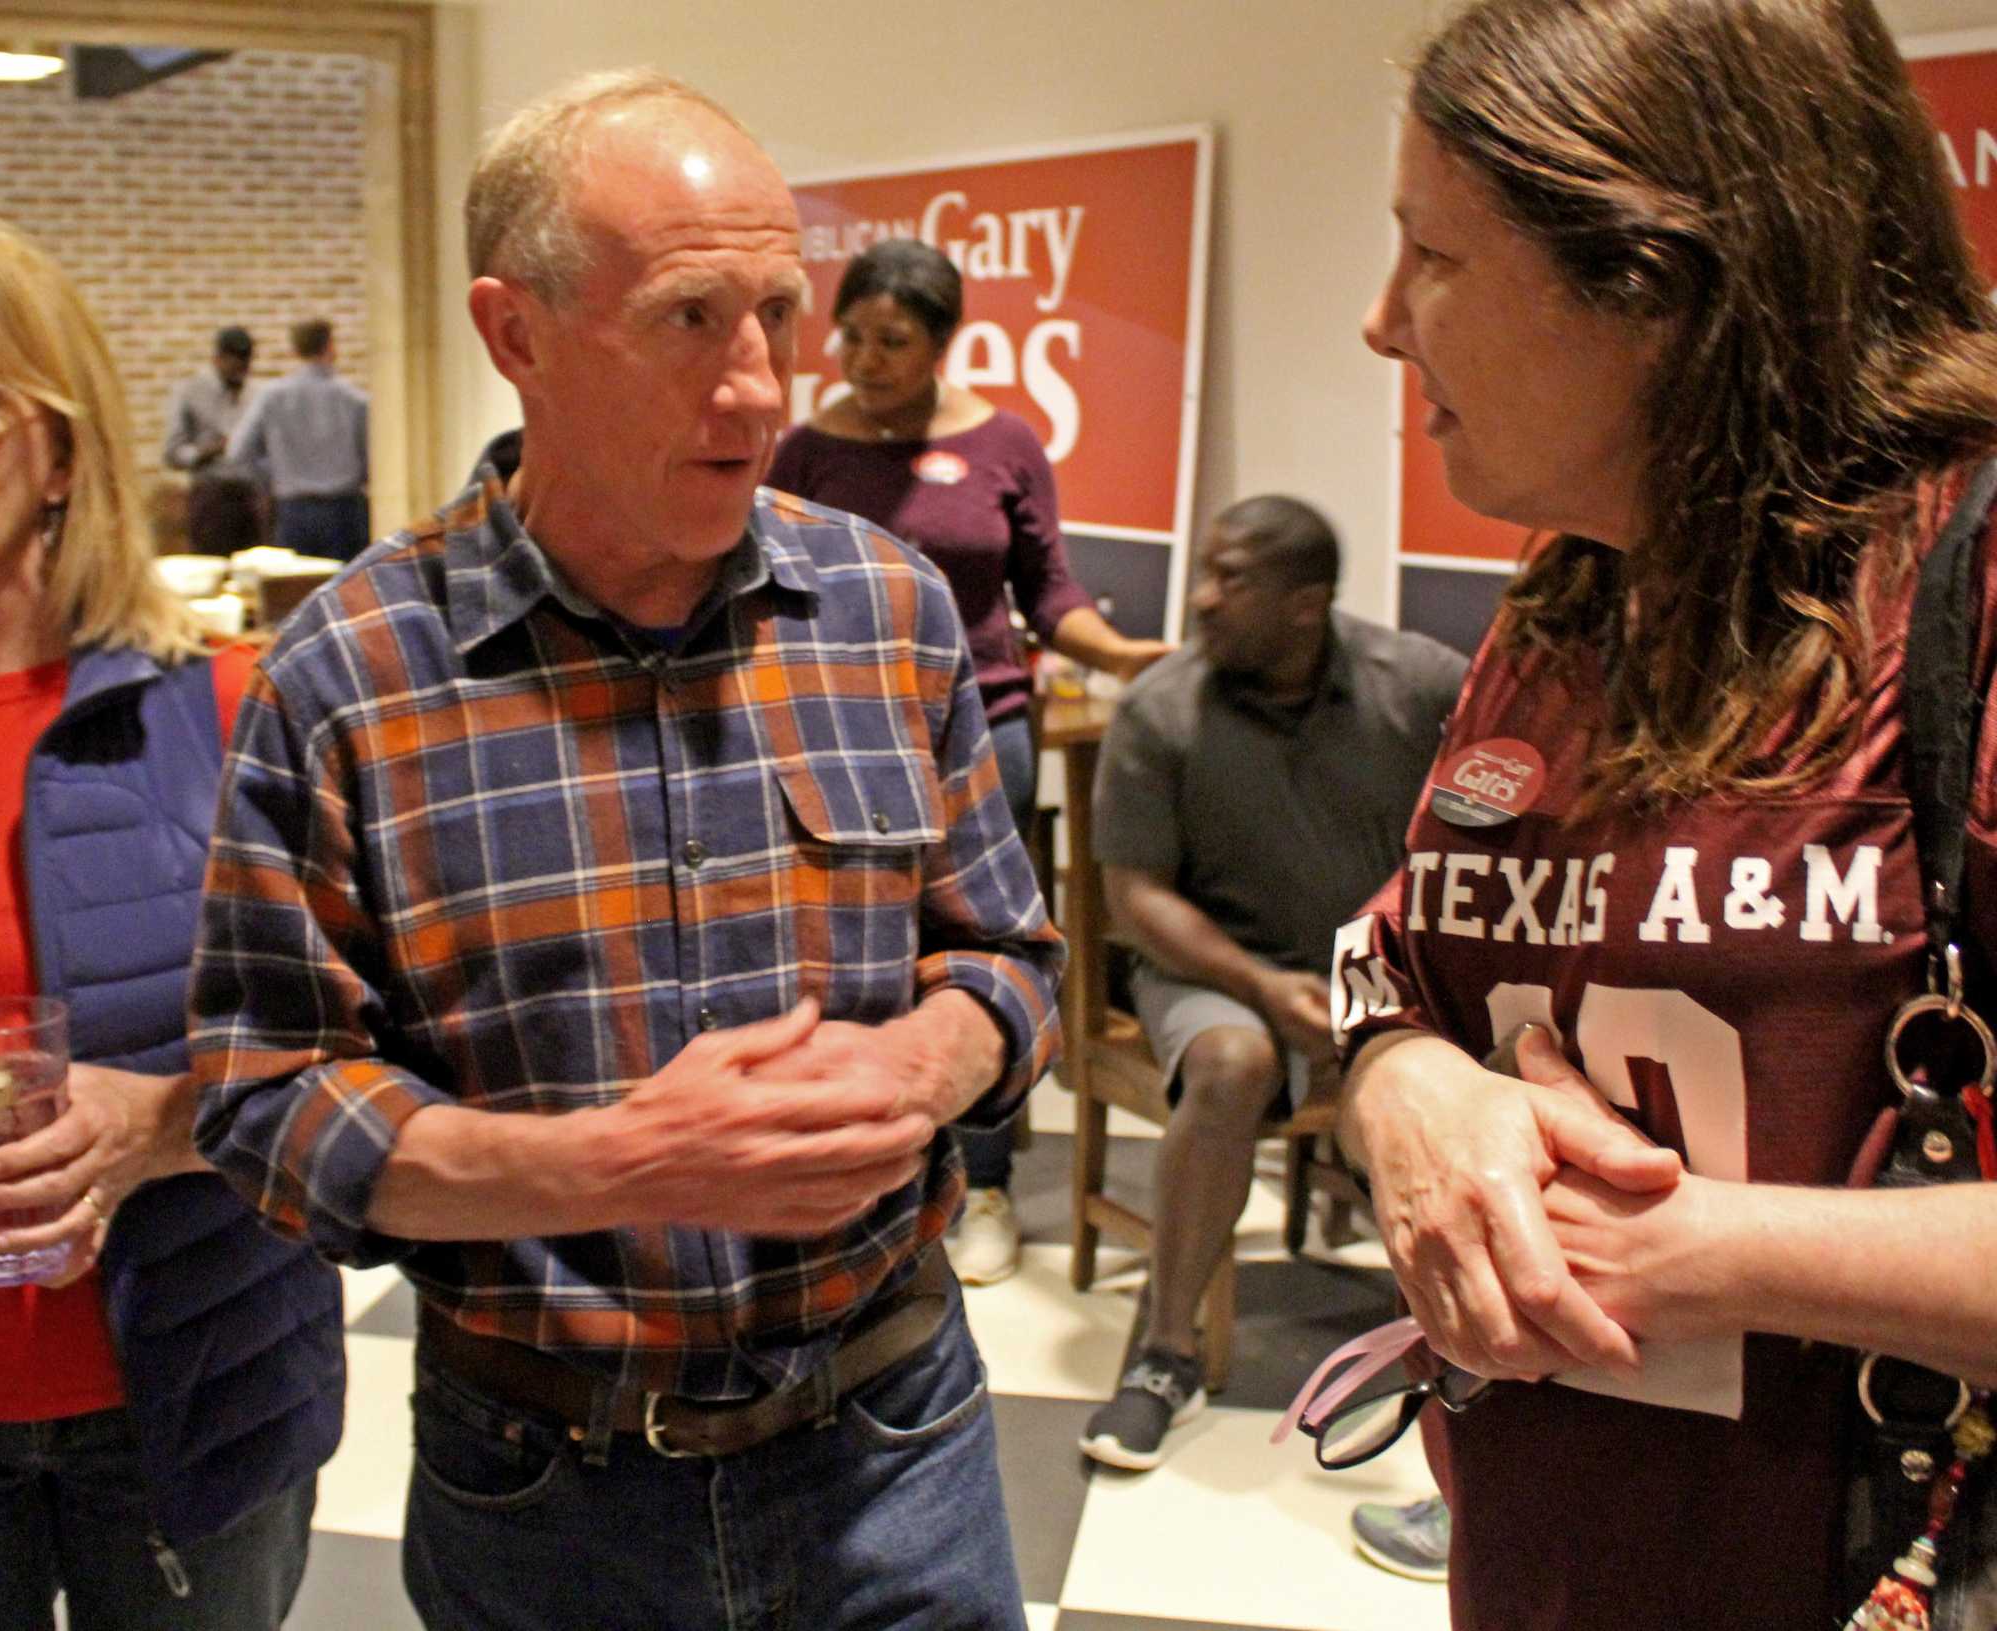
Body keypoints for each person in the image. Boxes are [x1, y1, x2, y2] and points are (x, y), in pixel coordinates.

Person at [190, 71, 1063, 1631]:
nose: (756, 390)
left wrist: (928, 1064)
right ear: (513, 331)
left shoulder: (887, 610)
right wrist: (605, 1162)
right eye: (686, 320)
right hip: (546, 1493)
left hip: (893, 1437)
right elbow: (267, 1103)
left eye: (777, 316)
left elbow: (1007, 959)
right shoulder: (353, 671)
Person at [1335, 1, 1997, 1626]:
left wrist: (1703, 1255)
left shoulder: (1960, 590)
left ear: (1653, 289)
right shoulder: (1566, 592)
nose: (1379, 323)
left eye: (1433, 256)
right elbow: (1392, 956)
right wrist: (1401, 1083)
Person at [0, 214, 343, 1628]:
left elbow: (372, 1043)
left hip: (188, 1400)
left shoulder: (229, 711)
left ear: (62, 452)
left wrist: (159, 1121)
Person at [768, 238, 1171, 1285]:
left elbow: (1049, 596)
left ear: (943, 343)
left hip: (983, 727)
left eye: (892, 340)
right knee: (847, 947)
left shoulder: (1003, 442)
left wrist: (1122, 657)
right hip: (833, 732)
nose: (864, 357)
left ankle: (983, 1182)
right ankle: (860, 1159)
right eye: (850, 335)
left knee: (984, 948)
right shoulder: (803, 451)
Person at [1075, 496, 1465, 1470]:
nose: (1200, 597)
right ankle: (1162, 1353)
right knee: (1231, 1060)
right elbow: (1134, 898)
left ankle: (1471, 1353)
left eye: (1230, 578)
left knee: (1500, 1053)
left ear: (1305, 604)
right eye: (1204, 569)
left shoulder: (1412, 684)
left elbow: (1487, 818)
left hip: (1369, 970)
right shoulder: (1159, 706)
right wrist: (1261, 981)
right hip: (1212, 969)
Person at [226, 317, 369, 562]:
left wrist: (271, 475)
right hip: (344, 510)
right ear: (331, 347)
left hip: (293, 510)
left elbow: (237, 451)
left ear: (294, 350)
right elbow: (371, 457)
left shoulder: (272, 397)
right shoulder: (354, 400)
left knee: (295, 589)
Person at [162, 325, 263, 555]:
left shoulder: (256, 393)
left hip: (249, 496)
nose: (241, 373)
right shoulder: (190, 392)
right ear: (218, 359)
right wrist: (209, 450)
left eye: (246, 366)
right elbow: (172, 453)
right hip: (211, 497)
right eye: (235, 366)